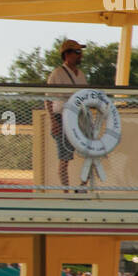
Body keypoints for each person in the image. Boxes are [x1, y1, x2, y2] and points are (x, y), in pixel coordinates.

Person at [46, 38, 89, 188]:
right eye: (77, 52)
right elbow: (48, 99)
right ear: (67, 54)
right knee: (64, 159)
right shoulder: (57, 73)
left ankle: (82, 187)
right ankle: (66, 192)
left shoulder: (81, 75)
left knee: (91, 152)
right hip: (62, 117)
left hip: (78, 117)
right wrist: (53, 121)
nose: (80, 55)